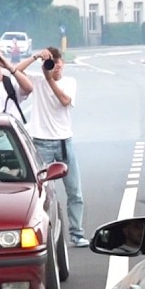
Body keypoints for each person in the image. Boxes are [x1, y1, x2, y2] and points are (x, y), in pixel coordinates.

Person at [17, 47, 87, 246]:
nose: (55, 66)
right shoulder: (38, 80)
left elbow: (65, 101)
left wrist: (49, 80)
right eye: (51, 63)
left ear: (63, 63)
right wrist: (35, 57)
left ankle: (77, 233)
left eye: (57, 62)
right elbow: (16, 70)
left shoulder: (69, 82)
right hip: (41, 142)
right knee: (42, 192)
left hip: (65, 142)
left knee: (74, 191)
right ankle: (44, 234)